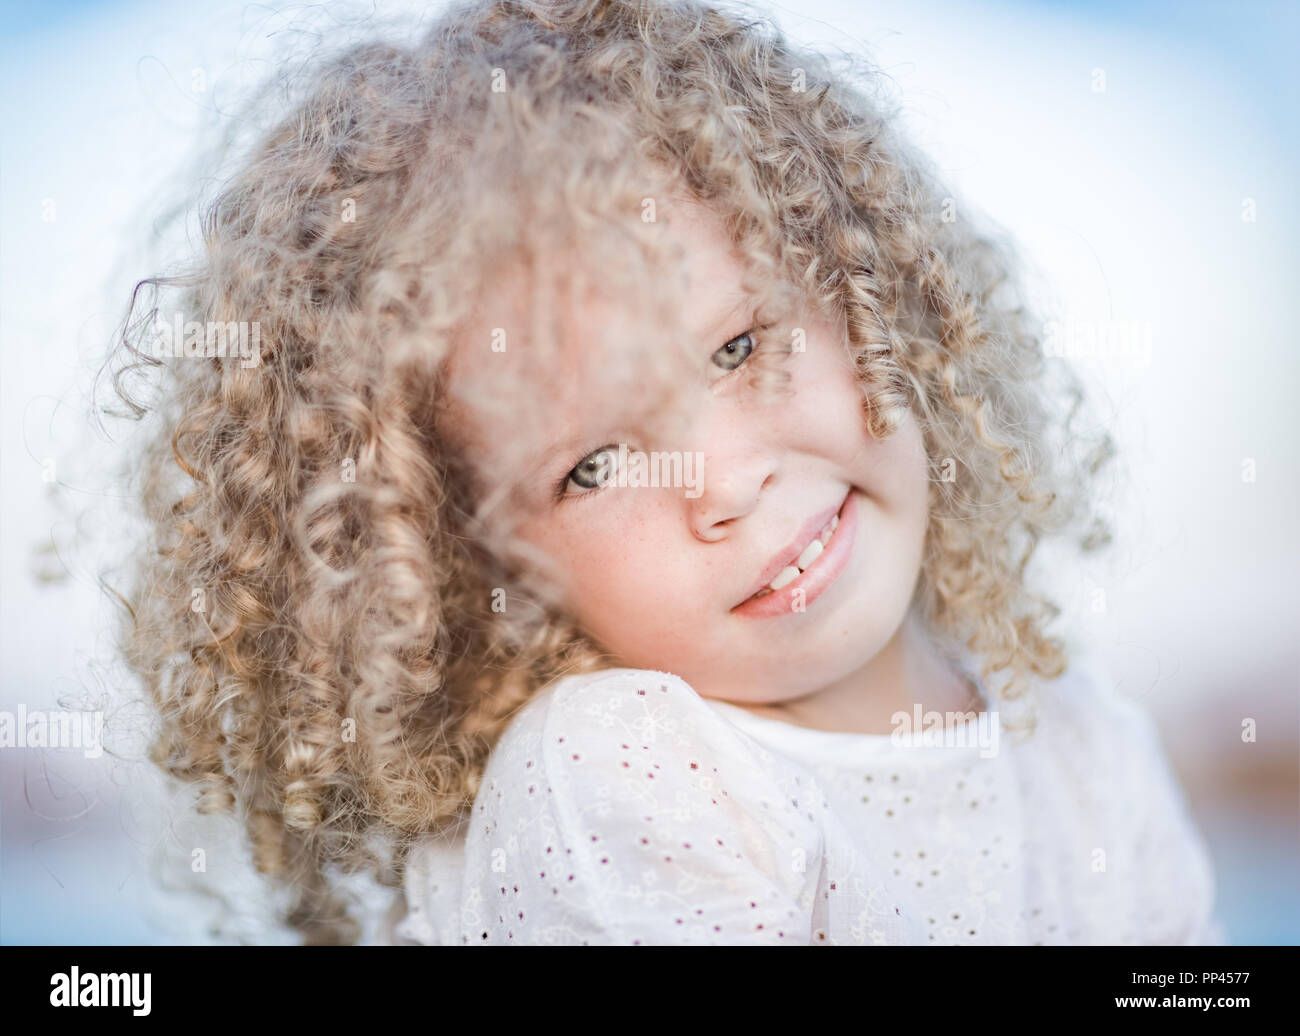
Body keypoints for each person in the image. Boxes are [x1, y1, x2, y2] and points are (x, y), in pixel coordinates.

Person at [108, 0, 1222, 945]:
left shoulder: (1081, 741)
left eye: (740, 347)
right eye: (593, 465)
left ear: (868, 286)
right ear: (473, 566)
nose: (726, 482)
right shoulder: (616, 775)